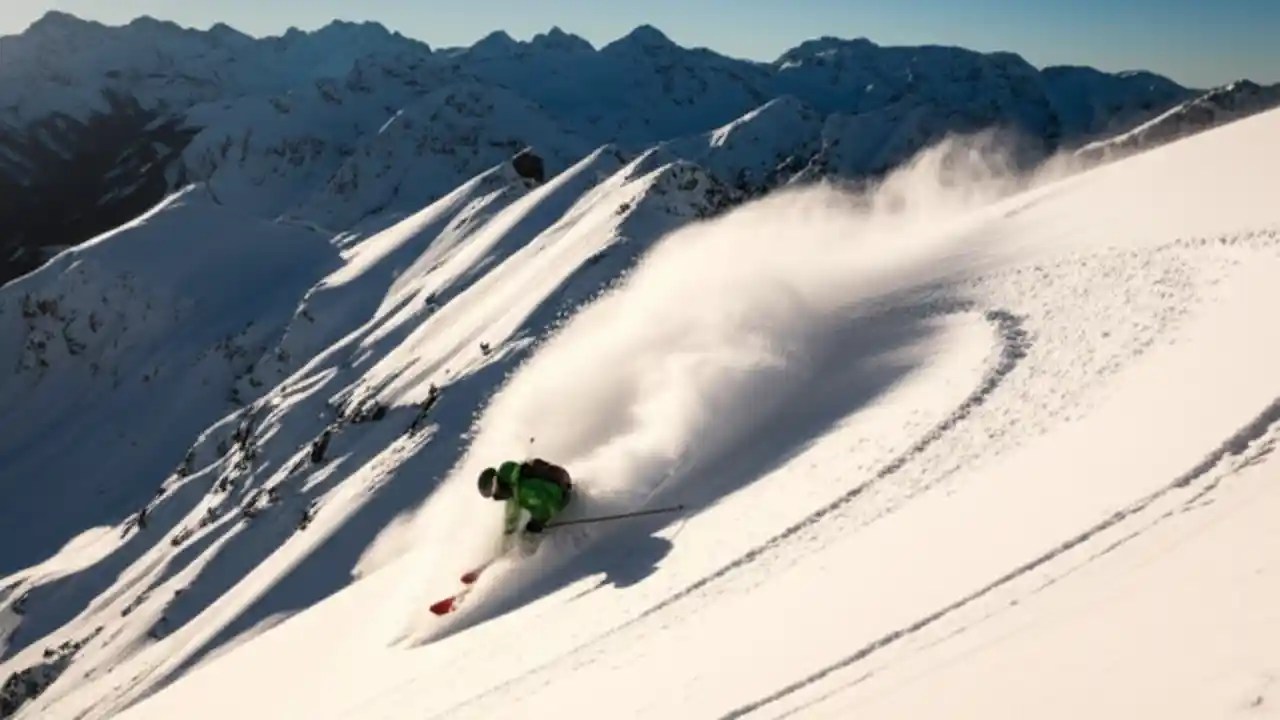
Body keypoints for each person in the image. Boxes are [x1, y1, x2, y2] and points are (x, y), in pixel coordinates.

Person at [477, 459, 573, 546]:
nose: (496, 495)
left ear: (497, 481)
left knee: (529, 536)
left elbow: (547, 503)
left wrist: (537, 523)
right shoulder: (513, 487)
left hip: (562, 497)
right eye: (491, 493)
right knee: (525, 534)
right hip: (555, 491)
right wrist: (508, 537)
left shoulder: (523, 488)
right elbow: (511, 516)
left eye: (493, 488)